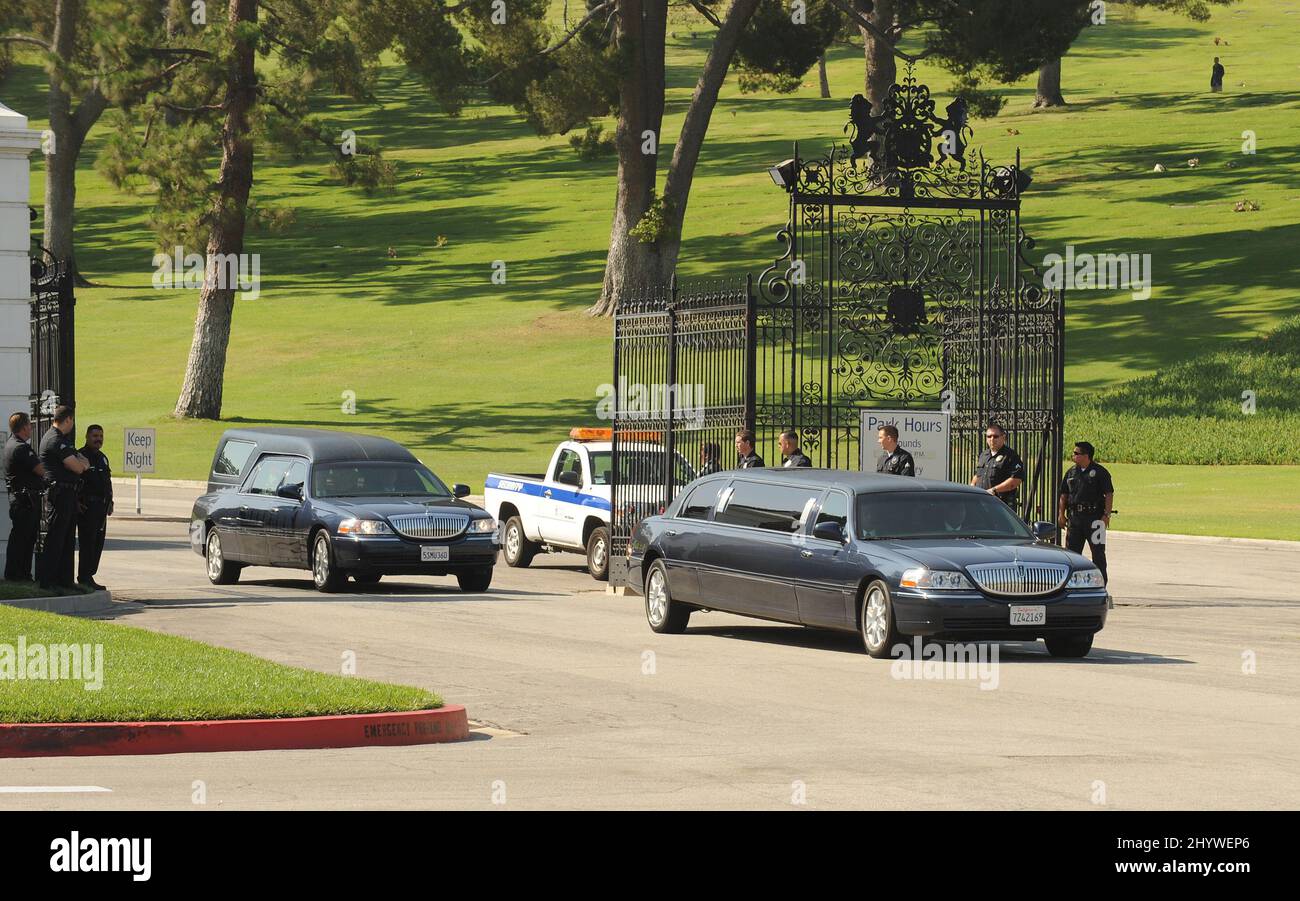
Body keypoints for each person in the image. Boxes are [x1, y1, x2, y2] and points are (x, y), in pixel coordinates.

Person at [36, 405, 88, 590]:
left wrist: (81, 462)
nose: (72, 424)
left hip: (68, 494)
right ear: (68, 420)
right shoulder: (55, 440)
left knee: (66, 539)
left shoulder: (61, 440)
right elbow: (79, 466)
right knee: (56, 538)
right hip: (59, 495)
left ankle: (64, 580)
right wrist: (81, 463)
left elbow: (80, 462)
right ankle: (48, 580)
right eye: (72, 421)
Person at [1058, 440, 1114, 583]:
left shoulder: (1100, 472)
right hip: (1075, 519)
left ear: (1086, 456)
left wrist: (1106, 515)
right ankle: (1071, 584)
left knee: (1098, 554)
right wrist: (1061, 515)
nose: (1073, 455)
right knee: (1072, 554)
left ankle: (1101, 584)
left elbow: (1109, 494)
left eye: (1076, 453)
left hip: (1095, 519)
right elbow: (1063, 495)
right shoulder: (1071, 472)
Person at [3, 412, 45, 582]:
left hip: (20, 499)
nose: (31, 428)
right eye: (29, 425)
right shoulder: (20, 447)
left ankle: (18, 574)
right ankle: (19, 574)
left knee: (21, 538)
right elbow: (40, 470)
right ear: (24, 426)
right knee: (24, 539)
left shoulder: (11, 444)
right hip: (25, 500)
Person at [76, 424, 114, 590]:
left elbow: (107, 481)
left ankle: (90, 574)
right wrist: (77, 501)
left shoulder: (103, 458)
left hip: (101, 507)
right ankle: (84, 576)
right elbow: (76, 481)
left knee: (98, 543)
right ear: (87, 437)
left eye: (100, 436)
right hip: (87, 507)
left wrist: (110, 501)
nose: (98, 439)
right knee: (88, 542)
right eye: (95, 436)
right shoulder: (80, 456)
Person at [971, 423, 1024, 509]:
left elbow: (1016, 480)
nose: (992, 439)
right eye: (989, 436)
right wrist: (972, 488)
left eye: (995, 436)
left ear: (1003, 437)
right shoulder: (984, 455)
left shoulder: (1010, 456)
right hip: (981, 504)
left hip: (1000, 505)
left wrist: (994, 490)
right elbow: (977, 475)